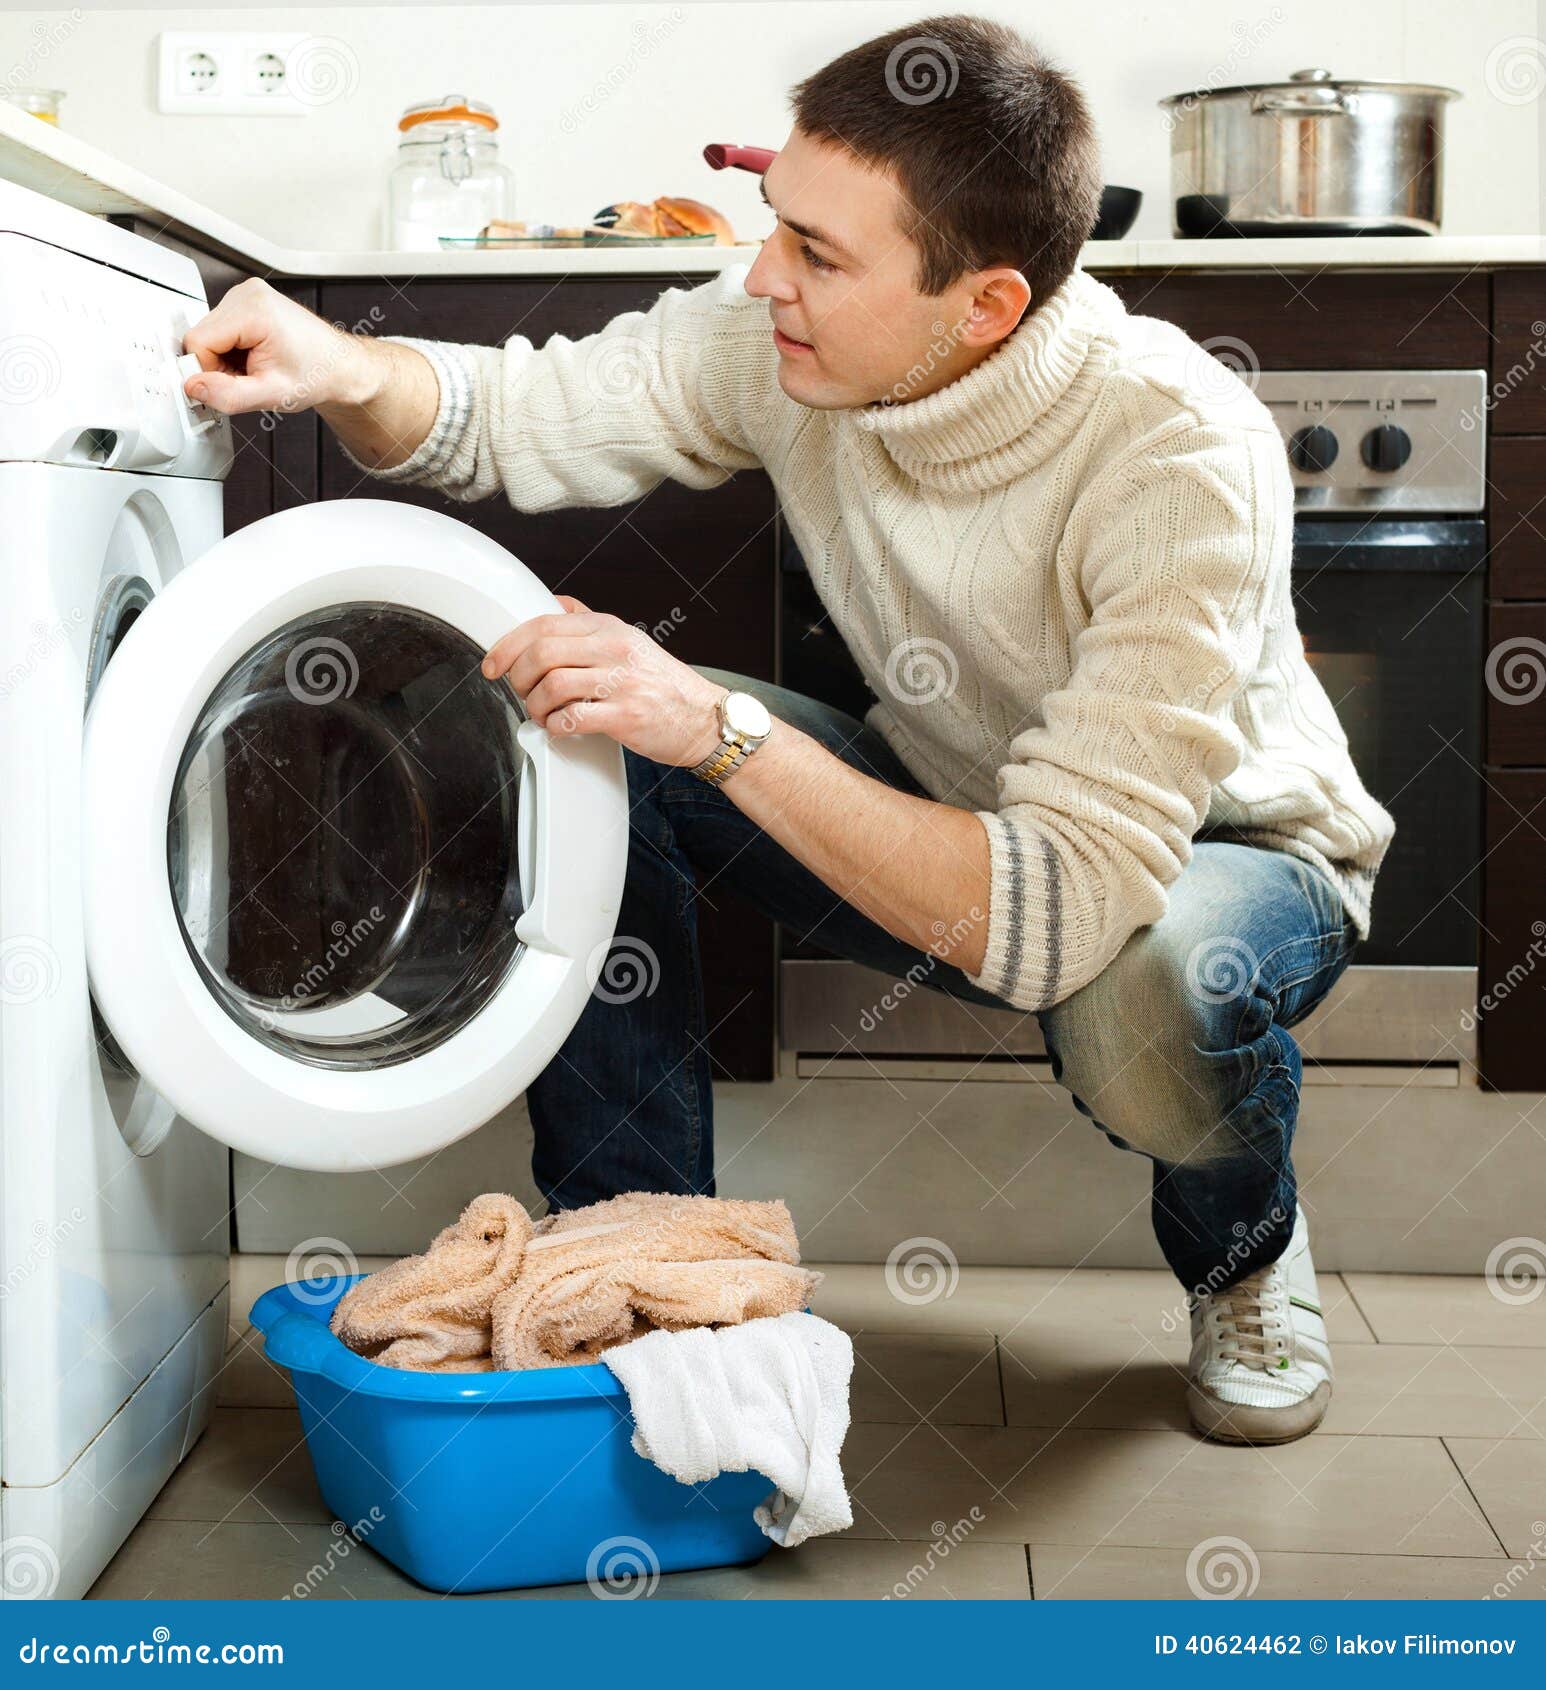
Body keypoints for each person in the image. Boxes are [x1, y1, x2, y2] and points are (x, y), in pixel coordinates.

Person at [182, 14, 1394, 1444]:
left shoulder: (1178, 448)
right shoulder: (789, 340)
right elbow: (516, 412)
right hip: (959, 792)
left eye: (820, 255)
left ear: (984, 307)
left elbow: (1059, 917)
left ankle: (1244, 1254)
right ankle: (640, 1258)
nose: (765, 277)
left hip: (1220, 854)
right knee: (589, 715)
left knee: (1151, 983)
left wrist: (718, 728)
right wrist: (340, 363)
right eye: (778, 227)